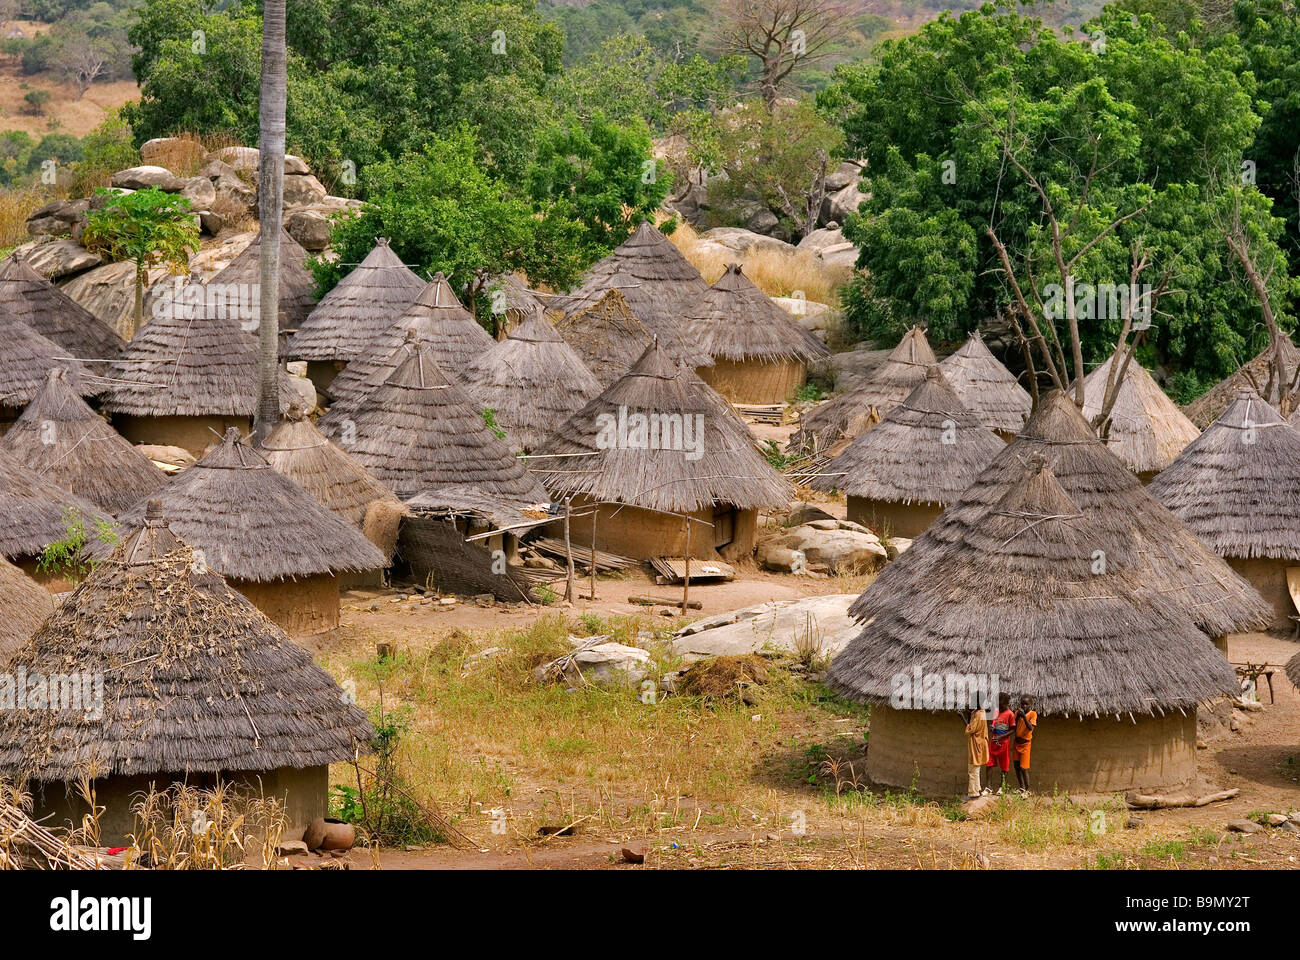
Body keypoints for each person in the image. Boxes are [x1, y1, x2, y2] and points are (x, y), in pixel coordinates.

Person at [986, 693, 1015, 794]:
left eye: (1001, 704)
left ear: (1006, 703)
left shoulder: (1010, 714)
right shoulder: (996, 712)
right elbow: (994, 723)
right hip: (994, 741)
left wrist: (1001, 737)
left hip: (1004, 743)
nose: (999, 706)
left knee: (1004, 765)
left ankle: (1001, 787)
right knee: (989, 763)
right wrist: (992, 728)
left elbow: (1012, 730)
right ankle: (988, 787)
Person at [1014, 695, 1037, 794]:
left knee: (1024, 768)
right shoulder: (1017, 713)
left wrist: (1023, 716)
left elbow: (1030, 728)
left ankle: (1027, 790)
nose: (1023, 706)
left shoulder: (1032, 714)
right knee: (1016, 766)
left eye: (1026, 704)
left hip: (1025, 745)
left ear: (1031, 705)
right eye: (1022, 704)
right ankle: (1022, 787)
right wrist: (1017, 717)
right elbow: (1013, 726)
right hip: (1016, 743)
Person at [964, 706, 988, 799]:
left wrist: (962, 716)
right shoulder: (979, 712)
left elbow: (971, 729)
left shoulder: (979, 714)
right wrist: (970, 715)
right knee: (974, 768)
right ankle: (977, 789)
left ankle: (974, 793)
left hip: (977, 744)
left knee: (974, 769)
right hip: (976, 743)